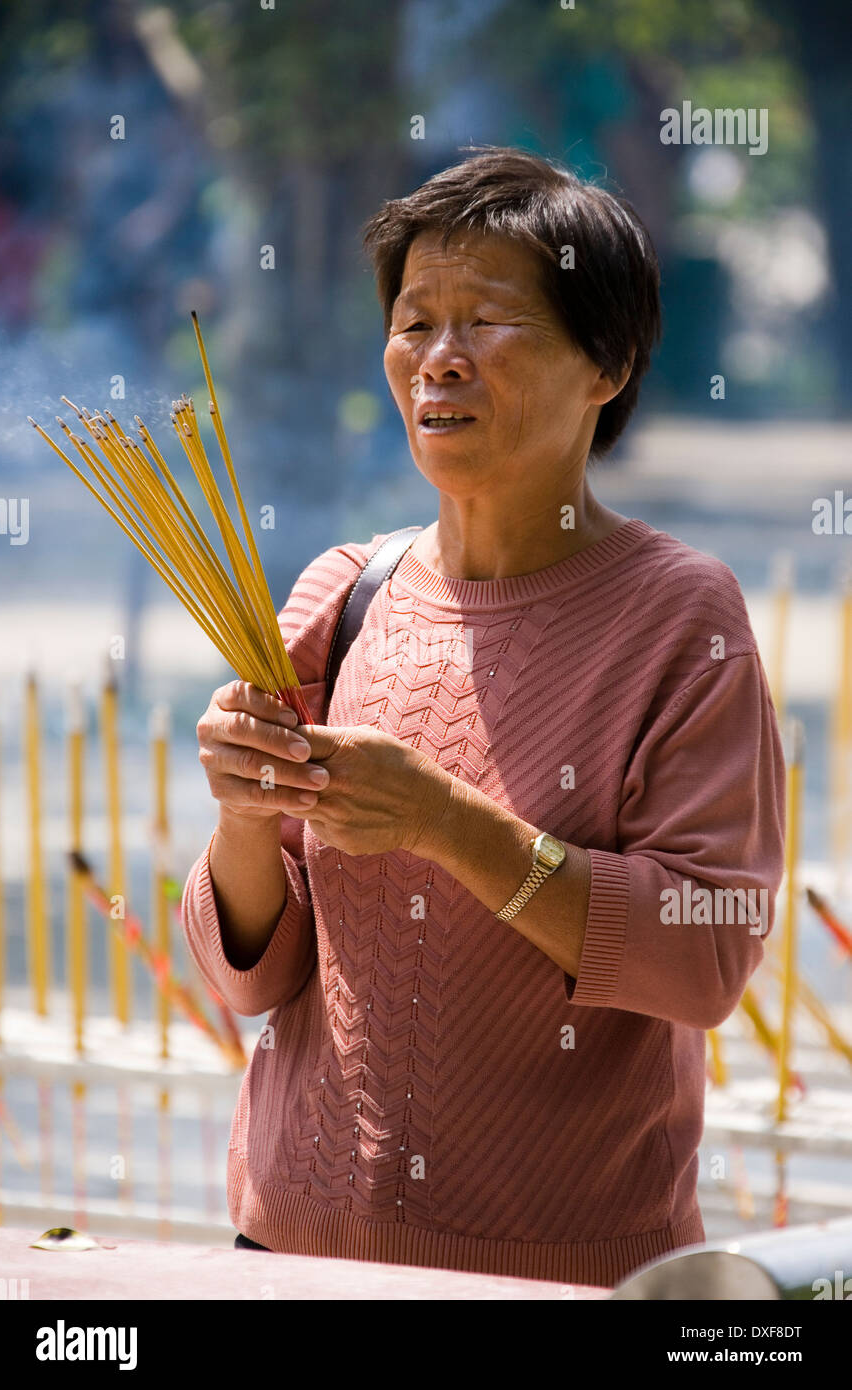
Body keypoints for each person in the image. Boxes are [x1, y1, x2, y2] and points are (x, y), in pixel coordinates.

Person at [181, 146, 785, 1287]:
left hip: (551, 1270)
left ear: (603, 363)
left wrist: (443, 821)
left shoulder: (677, 618)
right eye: (414, 324)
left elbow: (703, 955)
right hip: (293, 1251)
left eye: (486, 323)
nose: (436, 361)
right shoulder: (340, 594)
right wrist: (247, 818)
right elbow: (251, 978)